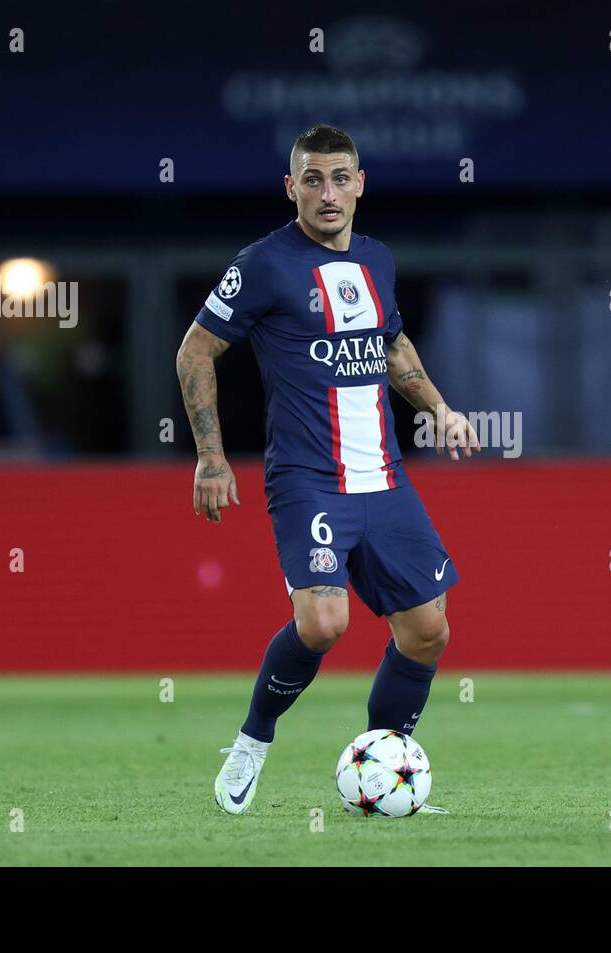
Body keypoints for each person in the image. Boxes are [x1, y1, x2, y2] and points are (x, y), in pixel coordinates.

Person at [175, 125, 479, 814]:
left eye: (341, 177)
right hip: (309, 479)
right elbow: (194, 352)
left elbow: (392, 343)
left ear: (361, 183)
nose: (328, 193)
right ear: (292, 188)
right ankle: (252, 742)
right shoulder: (263, 264)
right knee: (322, 623)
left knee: (429, 630)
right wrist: (212, 458)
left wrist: (439, 407)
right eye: (312, 179)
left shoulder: (377, 260)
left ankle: (383, 768)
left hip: (386, 480)